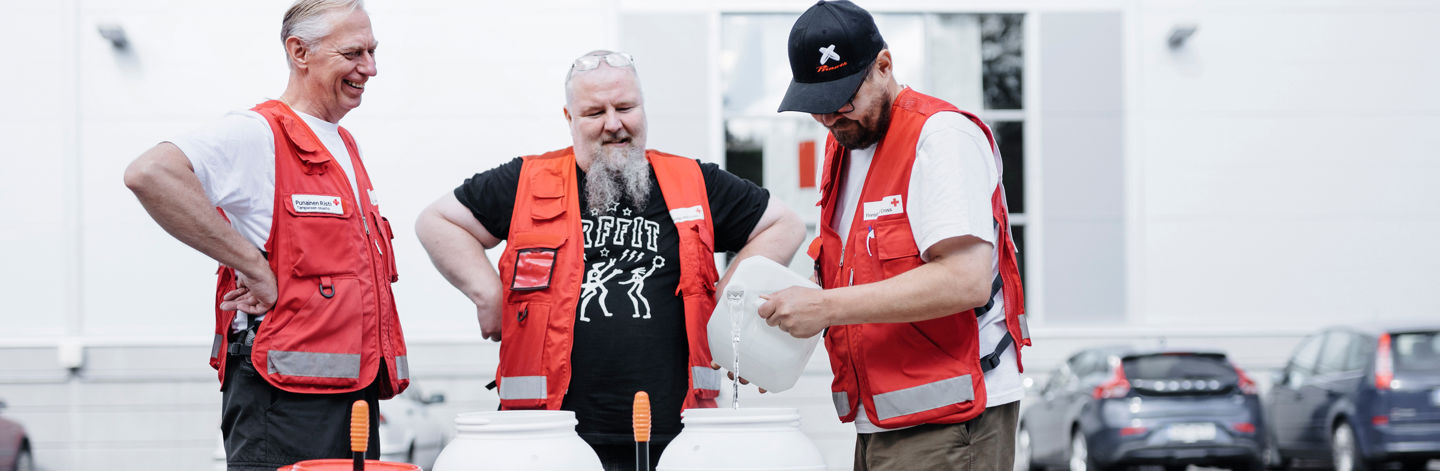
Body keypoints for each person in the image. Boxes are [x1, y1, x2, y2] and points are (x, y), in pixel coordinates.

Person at [413, 50, 806, 470]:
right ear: (570, 117)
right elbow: (436, 222)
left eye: (625, 108)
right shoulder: (525, 181)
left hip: (678, 438)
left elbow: (785, 224)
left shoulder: (694, 181)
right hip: (548, 438)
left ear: (642, 108)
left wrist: (732, 299)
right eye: (594, 112)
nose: (614, 124)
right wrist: (488, 294)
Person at [122, 1, 407, 469]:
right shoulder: (259, 133)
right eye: (354, 53)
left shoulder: (341, 144)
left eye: (373, 52)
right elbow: (150, 173)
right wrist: (253, 265)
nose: (370, 68)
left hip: (347, 401)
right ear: (300, 52)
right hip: (283, 405)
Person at [759, 1, 1030, 470]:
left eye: (842, 101)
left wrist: (823, 308)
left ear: (884, 66)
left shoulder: (940, 138)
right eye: (816, 107)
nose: (829, 119)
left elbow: (965, 280)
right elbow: (856, 285)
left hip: (954, 422)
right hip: (885, 417)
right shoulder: (847, 148)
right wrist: (776, 344)